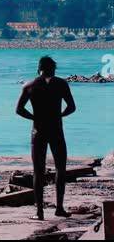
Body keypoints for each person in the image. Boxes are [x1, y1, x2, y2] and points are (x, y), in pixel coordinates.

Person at [16, 56, 77, 221]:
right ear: (54, 69)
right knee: (60, 169)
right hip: (56, 130)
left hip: (38, 131)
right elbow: (72, 107)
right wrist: (59, 115)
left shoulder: (29, 85)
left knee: (38, 171)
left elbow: (19, 110)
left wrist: (34, 118)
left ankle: (39, 212)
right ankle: (59, 208)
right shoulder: (61, 84)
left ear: (38, 69)